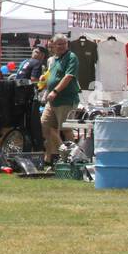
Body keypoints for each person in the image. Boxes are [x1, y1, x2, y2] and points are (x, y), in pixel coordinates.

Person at [41, 34, 80, 164]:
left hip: (66, 99)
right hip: (52, 100)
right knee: (47, 124)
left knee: (66, 129)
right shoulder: (54, 59)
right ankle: (60, 152)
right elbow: (52, 75)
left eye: (64, 43)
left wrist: (55, 91)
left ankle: (73, 156)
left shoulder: (71, 57)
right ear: (53, 45)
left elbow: (68, 77)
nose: (62, 46)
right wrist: (44, 80)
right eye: (59, 44)